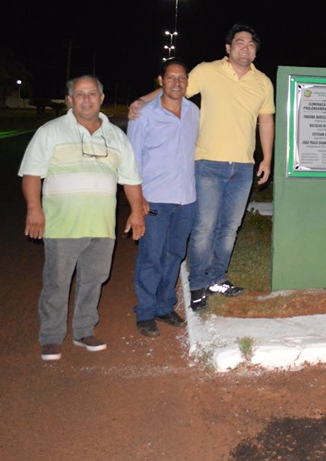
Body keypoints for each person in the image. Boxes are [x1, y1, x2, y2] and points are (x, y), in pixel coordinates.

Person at [130, 24, 274, 312]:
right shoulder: (207, 71)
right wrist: (141, 101)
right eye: (240, 42)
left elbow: (266, 119)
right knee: (204, 227)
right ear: (228, 48)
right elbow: (174, 91)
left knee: (230, 227)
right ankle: (197, 283)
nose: (246, 48)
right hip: (207, 164)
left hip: (243, 167)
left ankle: (218, 277)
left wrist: (266, 158)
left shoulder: (263, 82)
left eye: (251, 44)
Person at [19, 75, 146, 362]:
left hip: (101, 226)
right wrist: (34, 209)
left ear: (101, 98)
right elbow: (31, 174)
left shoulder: (116, 136)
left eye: (92, 94)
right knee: (57, 282)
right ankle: (51, 337)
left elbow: (131, 179)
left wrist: (137, 212)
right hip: (63, 224)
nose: (86, 99)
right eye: (80, 94)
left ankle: (84, 330)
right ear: (69, 100)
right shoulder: (50, 132)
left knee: (94, 280)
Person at [127, 58, 200, 337]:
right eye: (171, 77)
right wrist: (137, 199)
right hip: (154, 198)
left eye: (182, 78)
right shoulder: (144, 115)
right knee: (151, 256)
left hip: (186, 198)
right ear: (161, 81)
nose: (177, 82)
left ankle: (164, 305)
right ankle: (145, 311)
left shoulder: (194, 112)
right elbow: (132, 160)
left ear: (187, 82)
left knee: (174, 255)